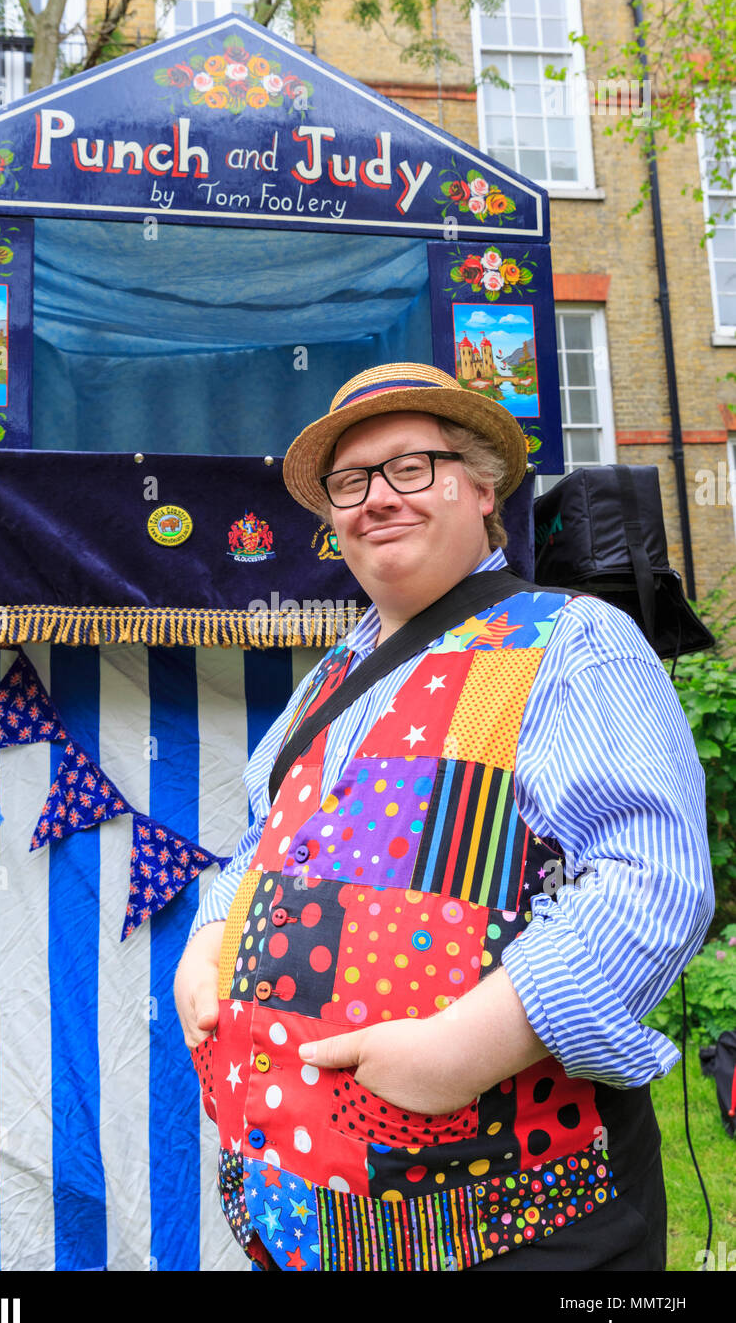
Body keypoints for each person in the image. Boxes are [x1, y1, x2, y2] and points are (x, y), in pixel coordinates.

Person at [174, 361, 714, 1272]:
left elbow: (648, 882)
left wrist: (461, 1050)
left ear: (480, 486)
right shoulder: (327, 678)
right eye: (350, 482)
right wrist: (211, 932)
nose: (376, 498)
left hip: (507, 1220)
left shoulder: (572, 639)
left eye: (410, 467)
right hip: (304, 1216)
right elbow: (259, 846)